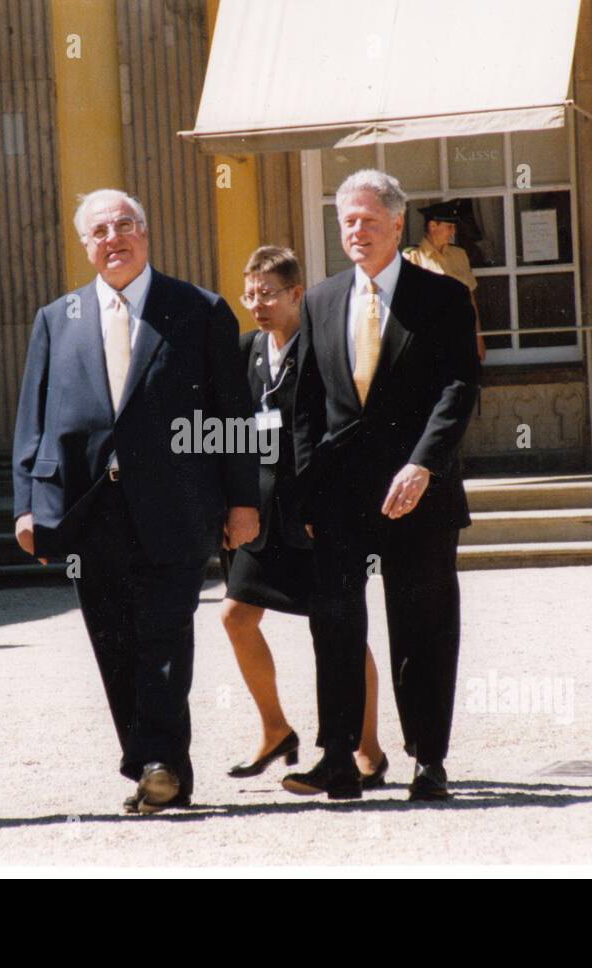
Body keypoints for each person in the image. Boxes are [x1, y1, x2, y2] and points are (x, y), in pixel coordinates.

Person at [13, 189, 260, 814]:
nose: (113, 237)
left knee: (166, 635)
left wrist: (242, 501)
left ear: (145, 235)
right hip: (89, 510)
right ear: (86, 245)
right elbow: (33, 422)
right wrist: (27, 506)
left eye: (125, 225)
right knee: (113, 641)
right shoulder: (56, 318)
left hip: (177, 506)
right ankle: (156, 766)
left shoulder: (199, 309)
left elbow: (232, 416)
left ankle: (158, 762)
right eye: (99, 230)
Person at [287, 169, 480, 801]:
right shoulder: (318, 301)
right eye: (348, 221)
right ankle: (338, 757)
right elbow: (306, 405)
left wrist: (423, 463)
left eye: (370, 220)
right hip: (341, 495)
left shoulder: (443, 297)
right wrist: (308, 491)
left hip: (418, 488)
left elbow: (459, 390)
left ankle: (429, 759)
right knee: (335, 623)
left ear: (398, 224)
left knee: (422, 623)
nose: (357, 231)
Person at [220, 246, 389, 788]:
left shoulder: (323, 349)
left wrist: (324, 500)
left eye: (267, 293)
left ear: (296, 293)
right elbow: (234, 430)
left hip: (315, 511)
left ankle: (368, 748)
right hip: (261, 511)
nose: (257, 305)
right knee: (235, 616)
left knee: (340, 630)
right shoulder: (246, 350)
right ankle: (275, 729)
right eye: (249, 294)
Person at [403, 200, 487, 362]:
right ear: (433, 226)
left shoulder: (459, 255)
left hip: (461, 336)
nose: (453, 232)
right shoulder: (412, 257)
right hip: (429, 340)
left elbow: (470, 299)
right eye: (449, 227)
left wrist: (478, 338)